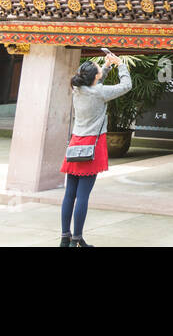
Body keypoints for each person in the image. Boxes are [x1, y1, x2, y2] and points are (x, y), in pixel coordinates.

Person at [60, 53, 131, 247]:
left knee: (70, 194)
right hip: (92, 144)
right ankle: (77, 238)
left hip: (76, 143)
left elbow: (94, 84)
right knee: (83, 195)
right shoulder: (99, 92)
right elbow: (126, 86)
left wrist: (105, 67)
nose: (99, 67)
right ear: (95, 77)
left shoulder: (77, 88)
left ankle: (65, 238)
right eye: (97, 67)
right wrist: (120, 64)